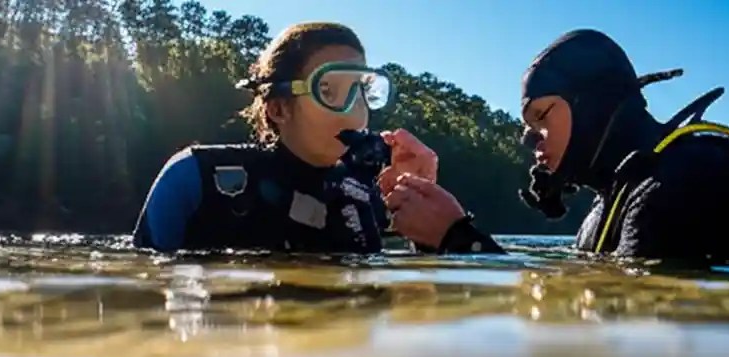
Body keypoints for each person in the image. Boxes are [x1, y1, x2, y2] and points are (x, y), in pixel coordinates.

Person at [384, 29, 729, 263]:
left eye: (542, 115)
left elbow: (634, 318)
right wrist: (435, 234)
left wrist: (460, 239)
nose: (529, 136)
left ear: (593, 105)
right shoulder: (612, 204)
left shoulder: (678, 181)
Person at [131, 21, 501, 256]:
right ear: (278, 108)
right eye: (330, 89)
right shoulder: (196, 178)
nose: (354, 109)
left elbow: (417, 311)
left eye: (362, 90)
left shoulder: (365, 200)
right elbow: (138, 299)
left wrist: (425, 227)